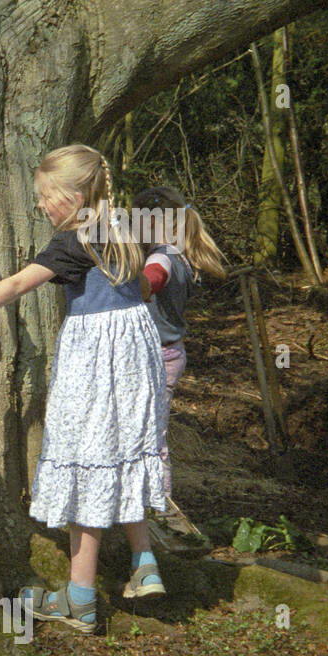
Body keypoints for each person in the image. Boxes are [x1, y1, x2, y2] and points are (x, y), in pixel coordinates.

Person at [0, 144, 170, 633]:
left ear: (74, 195)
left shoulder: (71, 242)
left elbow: (14, 285)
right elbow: (154, 274)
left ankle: (80, 599)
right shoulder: (126, 227)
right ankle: (144, 562)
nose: (43, 207)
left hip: (93, 361)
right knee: (126, 451)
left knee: (85, 461)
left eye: (47, 197)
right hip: (138, 356)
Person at [130, 186, 227, 500]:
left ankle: (162, 505)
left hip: (157, 357)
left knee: (151, 436)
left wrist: (123, 277)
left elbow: (152, 280)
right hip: (168, 353)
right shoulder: (183, 257)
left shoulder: (163, 257)